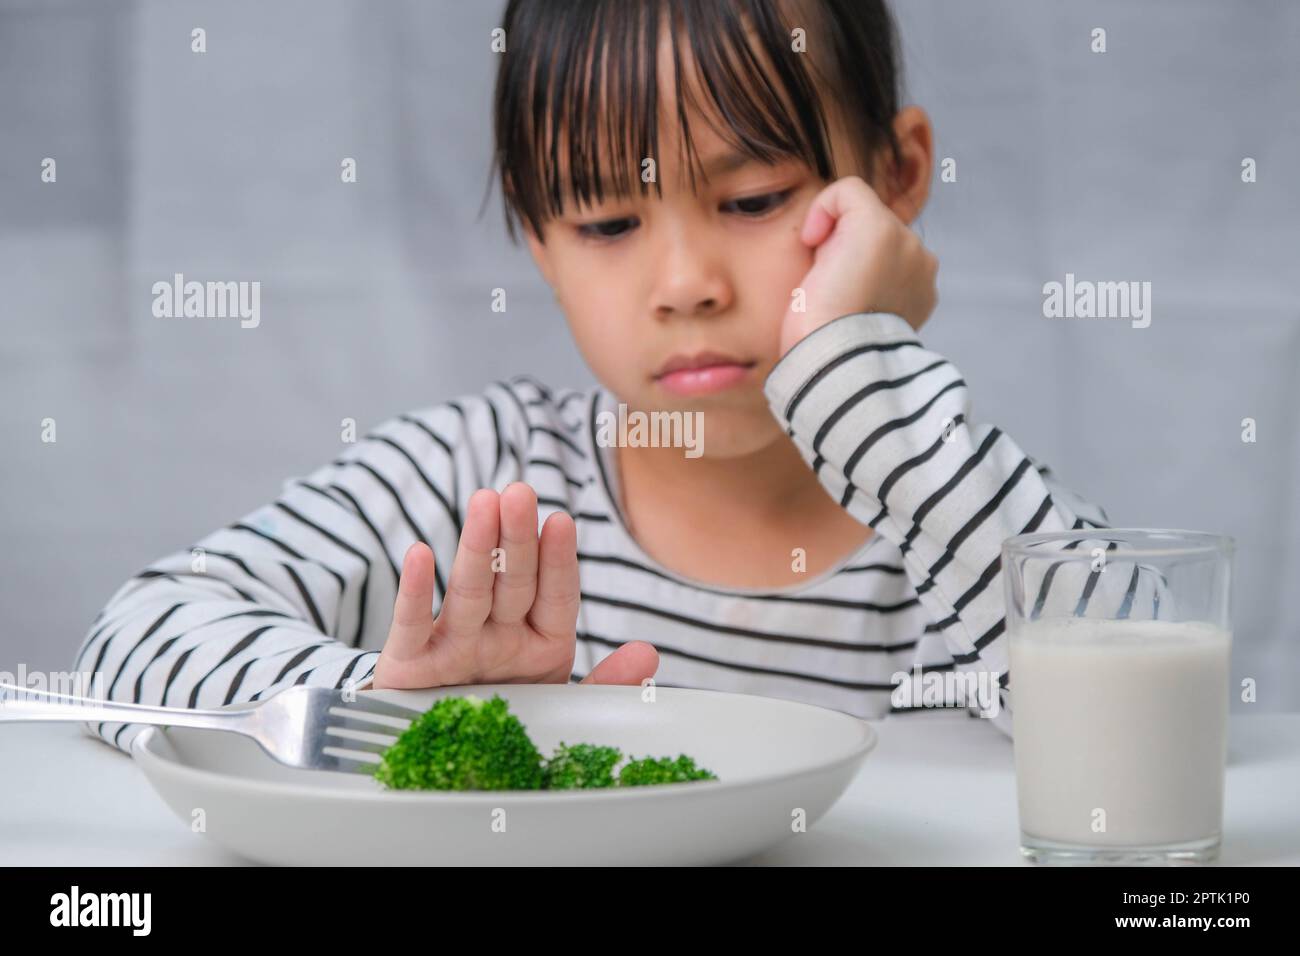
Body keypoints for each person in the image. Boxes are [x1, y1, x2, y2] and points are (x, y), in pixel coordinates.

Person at [75, 0, 1140, 755]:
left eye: (756, 198)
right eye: (607, 222)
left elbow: (1146, 711)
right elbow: (135, 638)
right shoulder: (484, 477)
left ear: (896, 176)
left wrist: (855, 374)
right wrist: (398, 712)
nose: (684, 284)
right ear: (538, 239)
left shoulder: (944, 496)